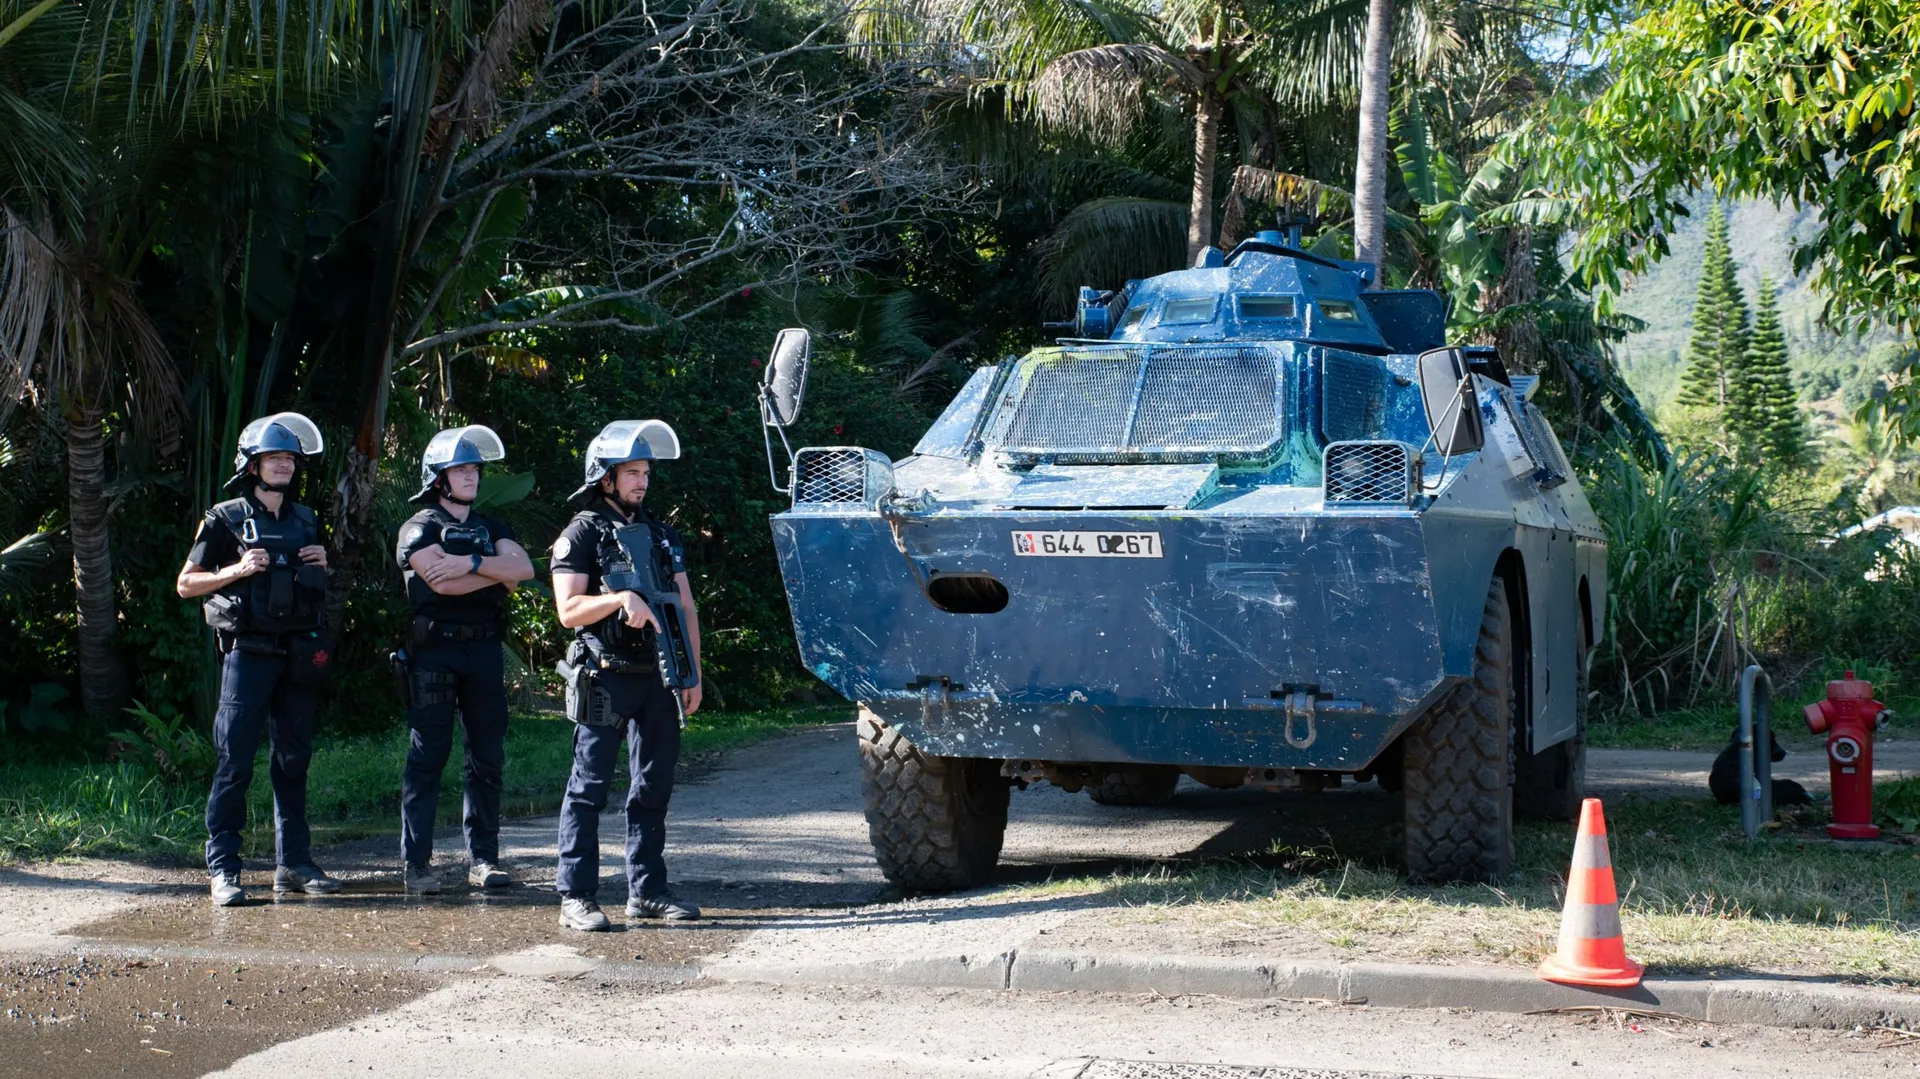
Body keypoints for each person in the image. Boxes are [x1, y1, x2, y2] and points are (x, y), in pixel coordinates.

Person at [176, 413, 339, 907]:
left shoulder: (306, 518)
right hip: (248, 654)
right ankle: (223, 868)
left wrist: (322, 564)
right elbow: (186, 583)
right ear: (253, 465)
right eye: (275, 457)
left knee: (293, 763)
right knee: (235, 763)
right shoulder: (225, 517)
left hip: (297, 655)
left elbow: (314, 582)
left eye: (290, 457)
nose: (284, 464)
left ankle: (294, 864)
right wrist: (235, 569)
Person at [549, 419, 704, 931]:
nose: (640, 481)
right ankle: (577, 895)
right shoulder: (581, 533)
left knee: (653, 789)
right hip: (605, 676)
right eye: (630, 472)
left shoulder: (662, 534)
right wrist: (618, 598)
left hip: (658, 676)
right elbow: (568, 611)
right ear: (605, 478)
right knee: (588, 788)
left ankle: (648, 891)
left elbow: (684, 604)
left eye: (645, 472)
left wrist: (693, 673)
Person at [394, 426, 535, 894]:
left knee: (487, 757)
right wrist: (494, 574)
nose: (472, 475)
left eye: (475, 467)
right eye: (461, 467)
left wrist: (472, 565)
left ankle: (484, 859)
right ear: (439, 477)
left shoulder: (495, 528)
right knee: (427, 757)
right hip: (435, 651)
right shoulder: (419, 527)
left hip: (484, 651)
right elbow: (441, 583)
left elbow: (524, 570)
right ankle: (418, 865)